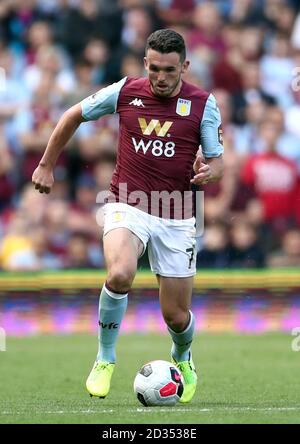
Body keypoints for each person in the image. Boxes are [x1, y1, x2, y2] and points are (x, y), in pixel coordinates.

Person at [32, 29, 224, 403]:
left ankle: (182, 356)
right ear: (145, 64)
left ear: (184, 66)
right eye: (154, 69)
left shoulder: (203, 104)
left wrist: (210, 171)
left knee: (176, 317)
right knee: (119, 273)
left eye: (170, 70)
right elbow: (73, 115)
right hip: (127, 202)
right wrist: (45, 165)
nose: (161, 78)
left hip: (177, 213)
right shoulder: (125, 91)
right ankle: (105, 358)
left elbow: (217, 161)